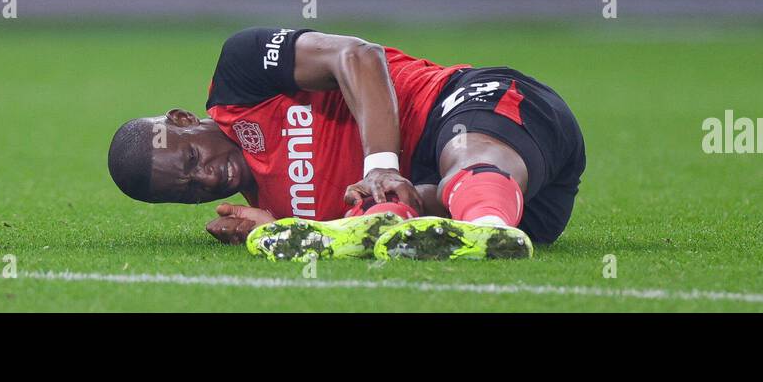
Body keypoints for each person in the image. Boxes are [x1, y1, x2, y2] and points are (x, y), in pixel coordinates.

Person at [107, 26, 586, 260]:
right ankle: (483, 228)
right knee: (385, 212)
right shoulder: (272, 207)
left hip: (471, 106)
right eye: (188, 188)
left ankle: (488, 230)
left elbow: (356, 55)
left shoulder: (240, 76)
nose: (208, 177)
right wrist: (282, 227)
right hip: (530, 207)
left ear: (182, 118)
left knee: (464, 152)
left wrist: (380, 163)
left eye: (192, 157)